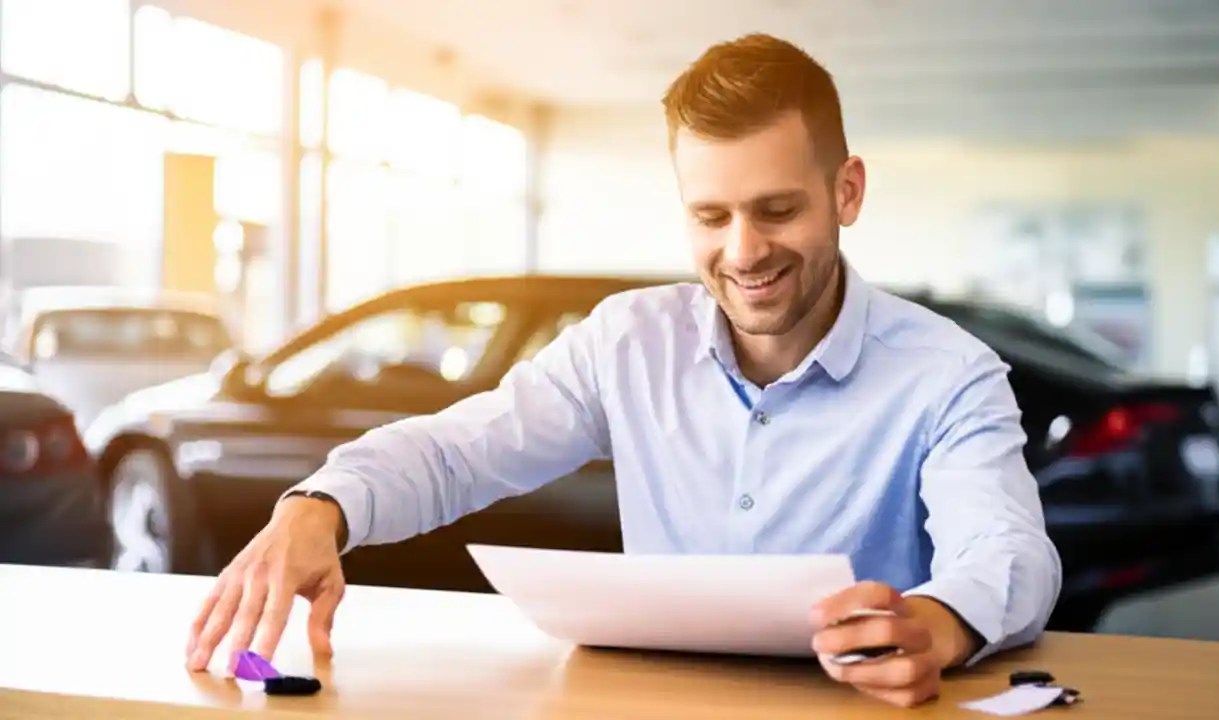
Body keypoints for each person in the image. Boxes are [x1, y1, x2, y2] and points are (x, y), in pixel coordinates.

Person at [186, 33, 1061, 708]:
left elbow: (1010, 551)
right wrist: (322, 505)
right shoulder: (626, 343)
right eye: (710, 215)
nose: (743, 251)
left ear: (847, 193)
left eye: (777, 209)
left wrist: (942, 623)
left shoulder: (949, 374)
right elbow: (459, 452)